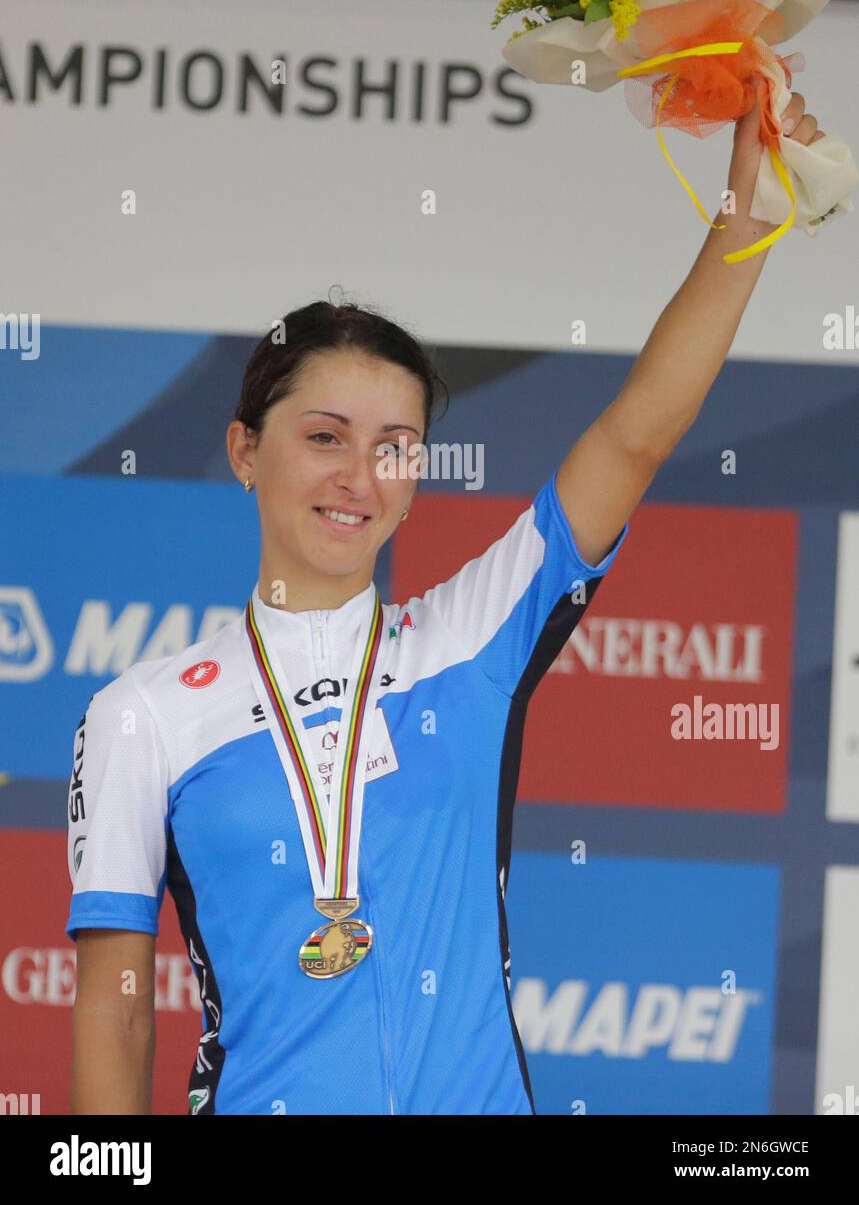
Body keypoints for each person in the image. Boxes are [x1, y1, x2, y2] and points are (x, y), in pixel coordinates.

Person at [66, 90, 826, 1115]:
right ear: (246, 451)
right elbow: (114, 1009)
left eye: (395, 446)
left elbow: (635, 435)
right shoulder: (143, 712)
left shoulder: (469, 634)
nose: (358, 476)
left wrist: (744, 216)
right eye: (325, 435)